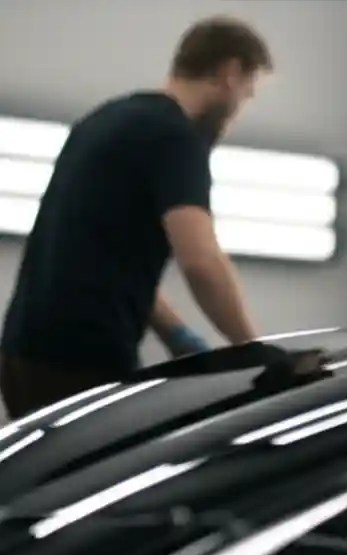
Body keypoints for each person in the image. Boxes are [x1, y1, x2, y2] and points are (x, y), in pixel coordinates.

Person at [0, 16, 270, 419]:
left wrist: (177, 334)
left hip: (22, 353)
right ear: (230, 73)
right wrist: (255, 350)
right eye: (247, 94)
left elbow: (104, 254)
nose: (238, 113)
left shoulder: (108, 119)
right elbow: (201, 261)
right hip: (82, 361)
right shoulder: (176, 139)